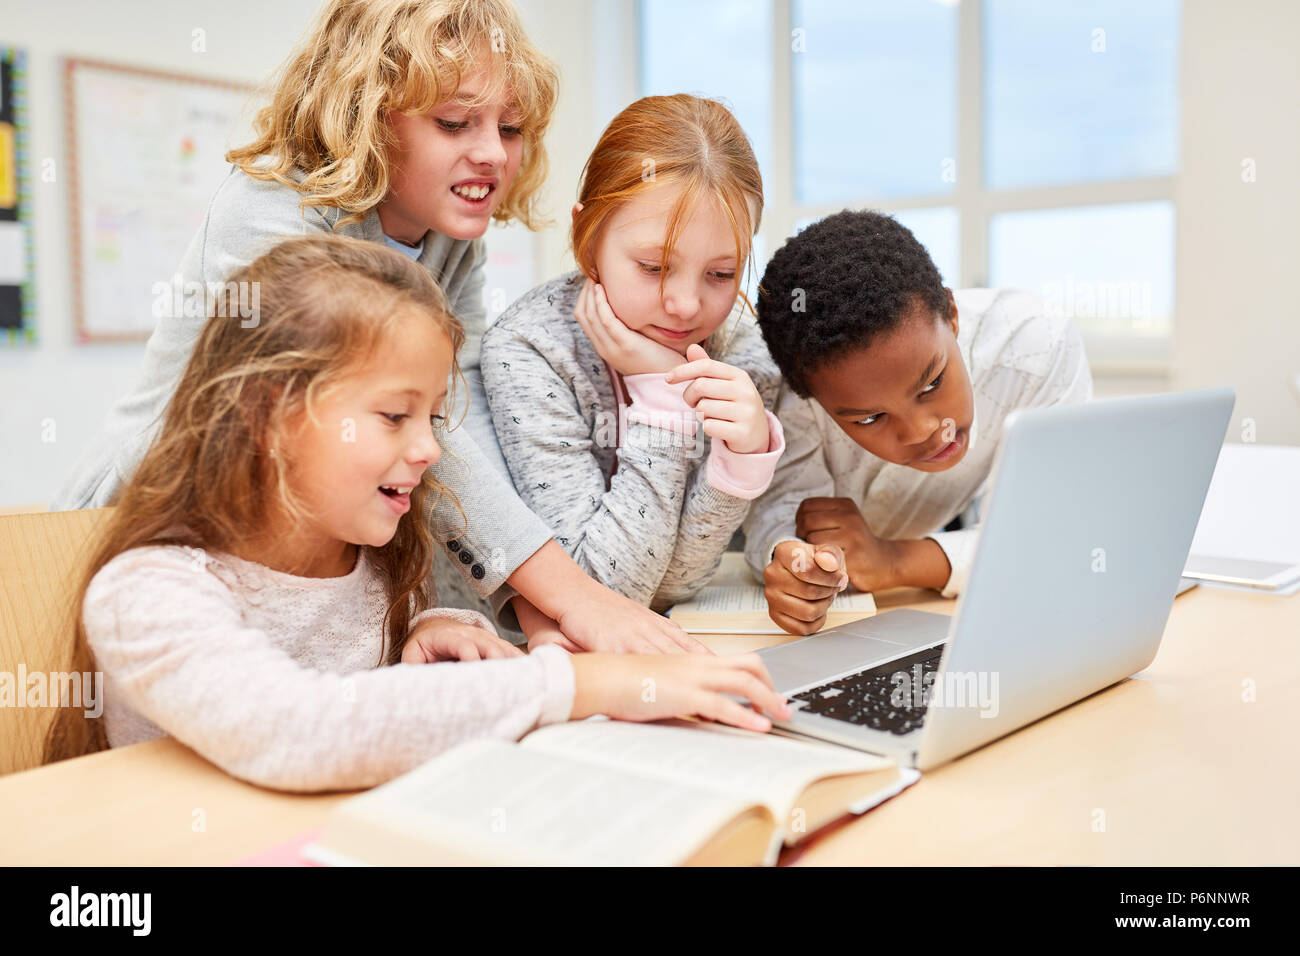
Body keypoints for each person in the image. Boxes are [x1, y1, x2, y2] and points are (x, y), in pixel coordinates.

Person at [50, 0, 700, 653]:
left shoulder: (450, 242)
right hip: (168, 526)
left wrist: (530, 606)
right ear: (368, 117)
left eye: (510, 128)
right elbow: (431, 434)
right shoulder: (277, 215)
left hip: (304, 556)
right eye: (454, 123)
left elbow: (458, 415)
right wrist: (575, 596)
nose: (491, 154)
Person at [43, 236, 790, 792]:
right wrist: (589, 683)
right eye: (396, 416)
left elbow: (374, 692)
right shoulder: (146, 592)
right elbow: (303, 729)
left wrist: (441, 628)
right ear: (266, 415)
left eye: (433, 416)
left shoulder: (372, 560)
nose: (431, 449)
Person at [481, 94, 784, 632]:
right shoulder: (531, 350)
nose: (688, 305)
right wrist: (665, 405)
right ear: (587, 237)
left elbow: (678, 584)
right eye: (653, 267)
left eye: (721, 274)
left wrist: (745, 457)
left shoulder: (741, 349)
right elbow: (604, 591)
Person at [745, 210, 1093, 635]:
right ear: (811, 400)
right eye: (870, 418)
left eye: (931, 384)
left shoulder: (1036, 348)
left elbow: (1060, 534)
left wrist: (896, 562)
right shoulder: (789, 388)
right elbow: (779, 519)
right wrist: (793, 565)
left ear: (950, 313)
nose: (923, 431)